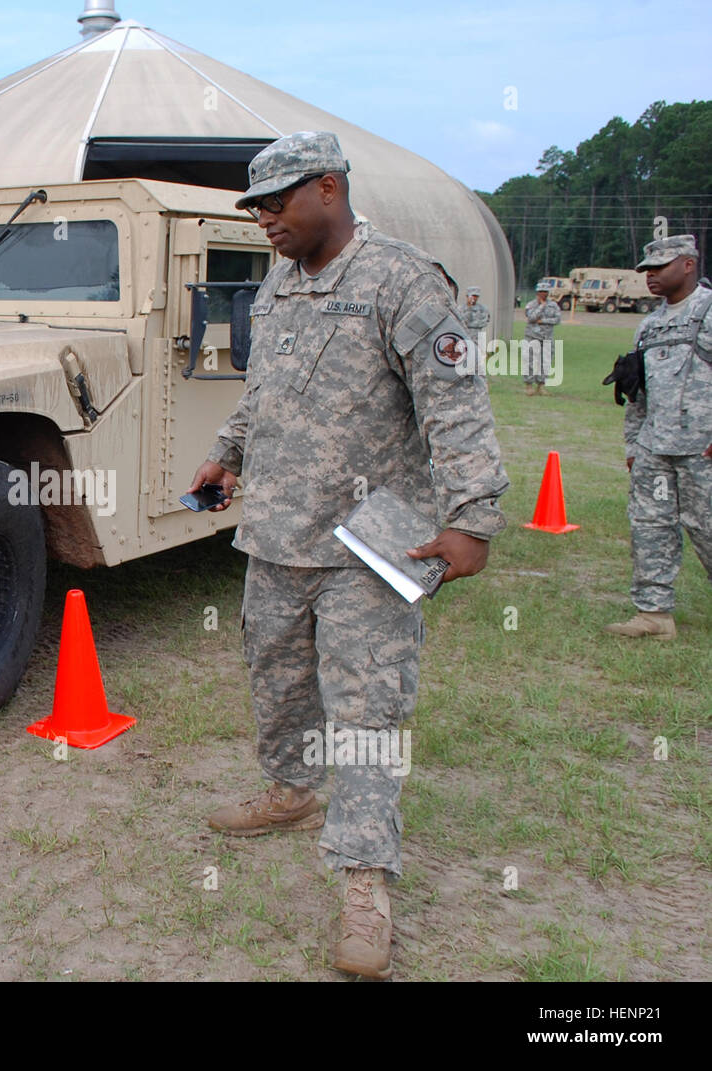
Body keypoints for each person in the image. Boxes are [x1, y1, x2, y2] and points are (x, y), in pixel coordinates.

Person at [188, 131, 508, 980]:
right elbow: (268, 393)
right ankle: (290, 790)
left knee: (366, 714)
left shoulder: (403, 279)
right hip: (277, 535)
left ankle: (365, 882)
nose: (263, 220)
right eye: (253, 206)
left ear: (329, 188)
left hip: (372, 543)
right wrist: (229, 453)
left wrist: (473, 517)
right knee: (278, 681)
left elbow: (456, 404)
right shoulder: (280, 283)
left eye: (276, 201)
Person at [603, 234, 712, 639]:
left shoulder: (708, 311)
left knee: (707, 527)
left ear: (688, 264)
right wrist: (634, 444)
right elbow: (637, 391)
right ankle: (654, 613)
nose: (650, 276)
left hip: (703, 448)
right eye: (646, 270)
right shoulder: (650, 325)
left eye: (659, 268)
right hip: (655, 449)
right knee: (650, 527)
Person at [522, 281, 560, 394]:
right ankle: (529, 385)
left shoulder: (553, 305)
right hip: (532, 337)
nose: (543, 294)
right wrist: (541, 306)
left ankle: (541, 385)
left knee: (545, 362)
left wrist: (543, 321)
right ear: (537, 293)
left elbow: (557, 320)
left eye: (545, 292)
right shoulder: (531, 305)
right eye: (541, 292)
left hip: (547, 337)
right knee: (530, 361)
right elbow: (531, 318)